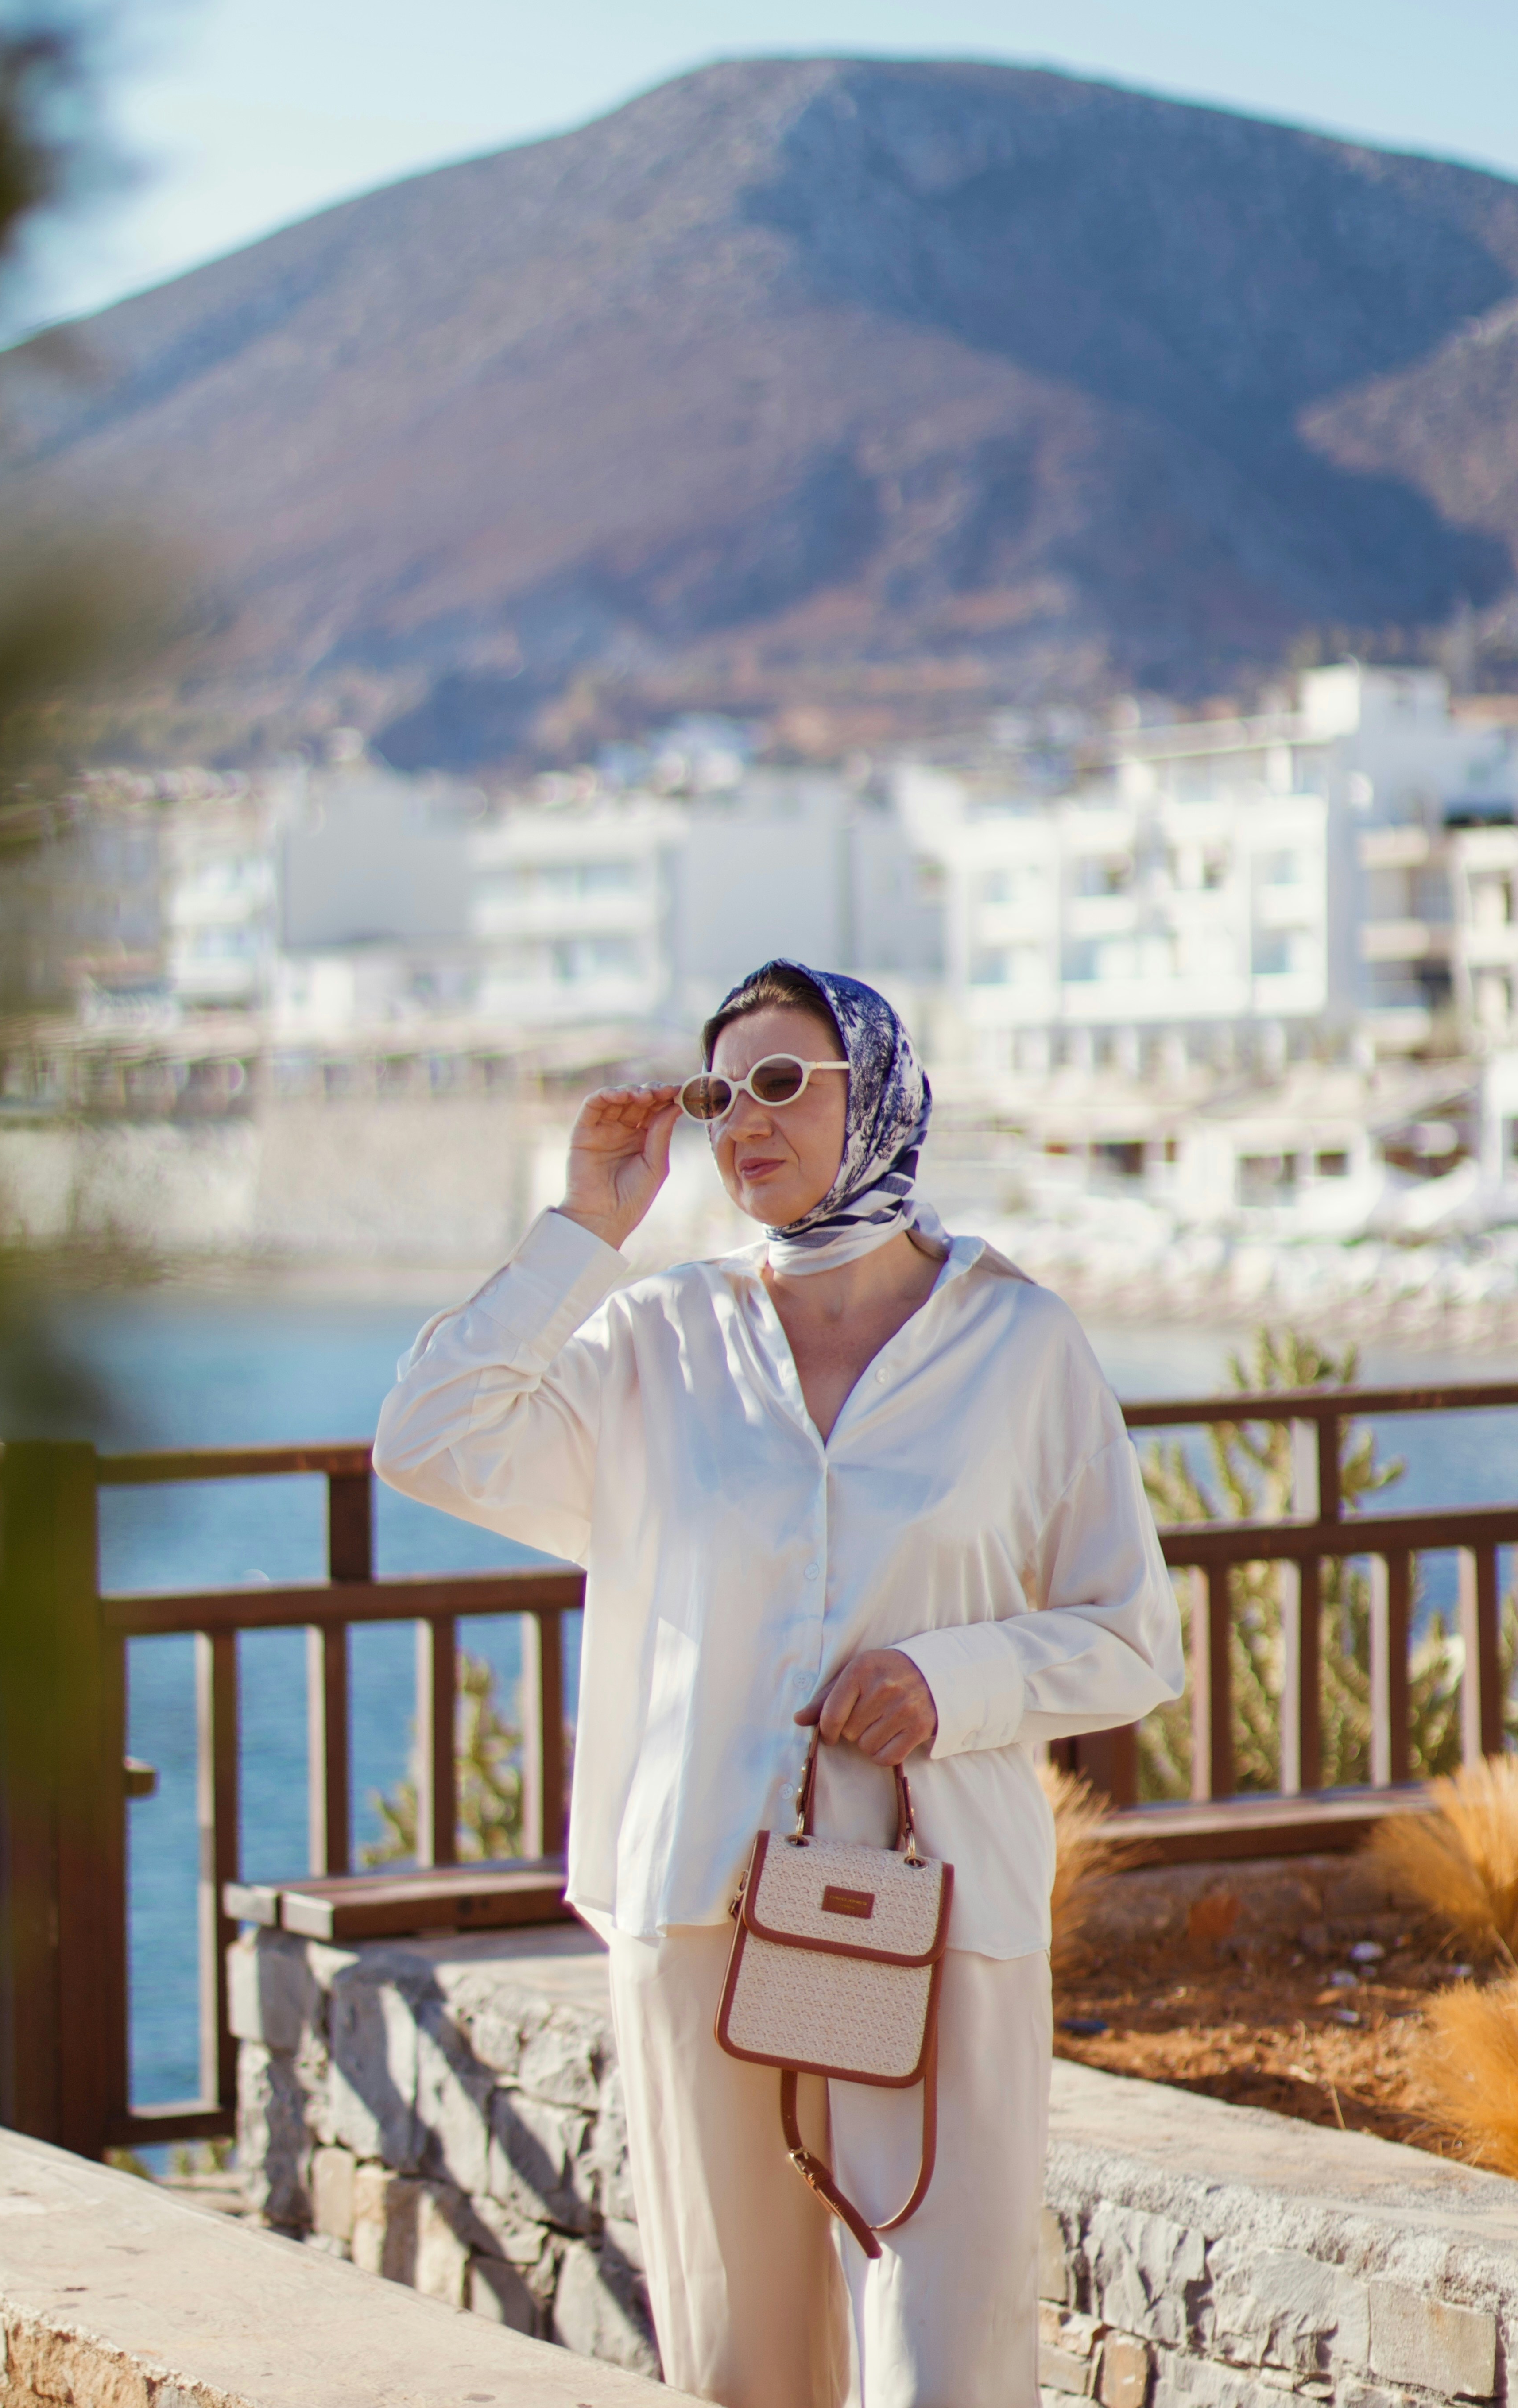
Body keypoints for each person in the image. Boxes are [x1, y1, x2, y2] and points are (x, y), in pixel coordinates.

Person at [373, 959, 1184, 2408]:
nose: (742, 1120)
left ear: (873, 1091)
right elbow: (430, 1438)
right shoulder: (654, 1343)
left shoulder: (1019, 1342)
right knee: (741, 2362)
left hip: (937, 1911)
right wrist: (584, 1227)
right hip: (701, 1910)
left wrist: (957, 1680)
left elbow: (1132, 1633)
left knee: (948, 2355)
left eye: (781, 1082)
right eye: (717, 1092)